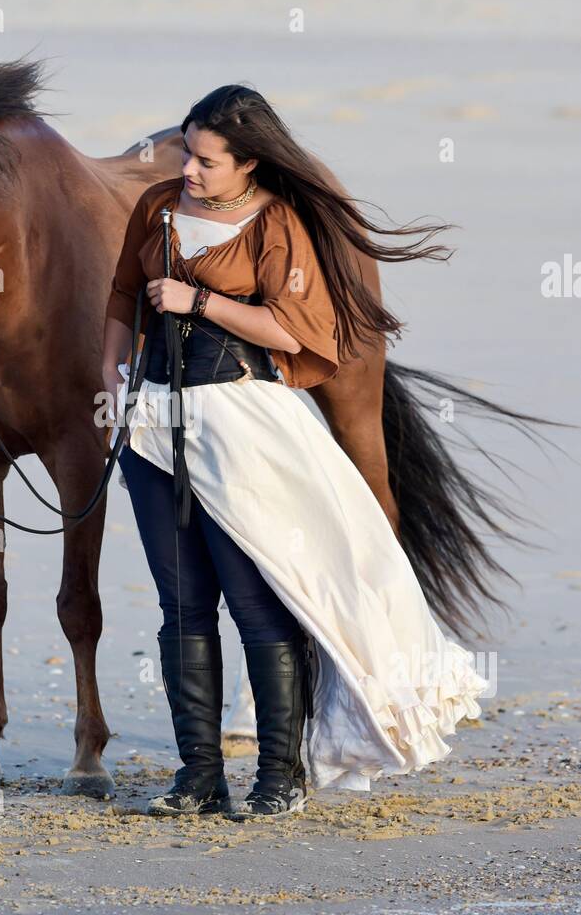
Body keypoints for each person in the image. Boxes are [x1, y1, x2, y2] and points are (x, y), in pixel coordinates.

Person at [101, 85, 491, 820]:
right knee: (180, 605)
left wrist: (201, 304)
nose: (189, 168)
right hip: (155, 423)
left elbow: (296, 333)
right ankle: (197, 779)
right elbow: (122, 295)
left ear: (248, 163)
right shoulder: (155, 205)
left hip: (243, 425)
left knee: (256, 602)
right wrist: (110, 370)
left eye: (206, 160)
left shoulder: (280, 222)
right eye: (187, 151)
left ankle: (278, 777)